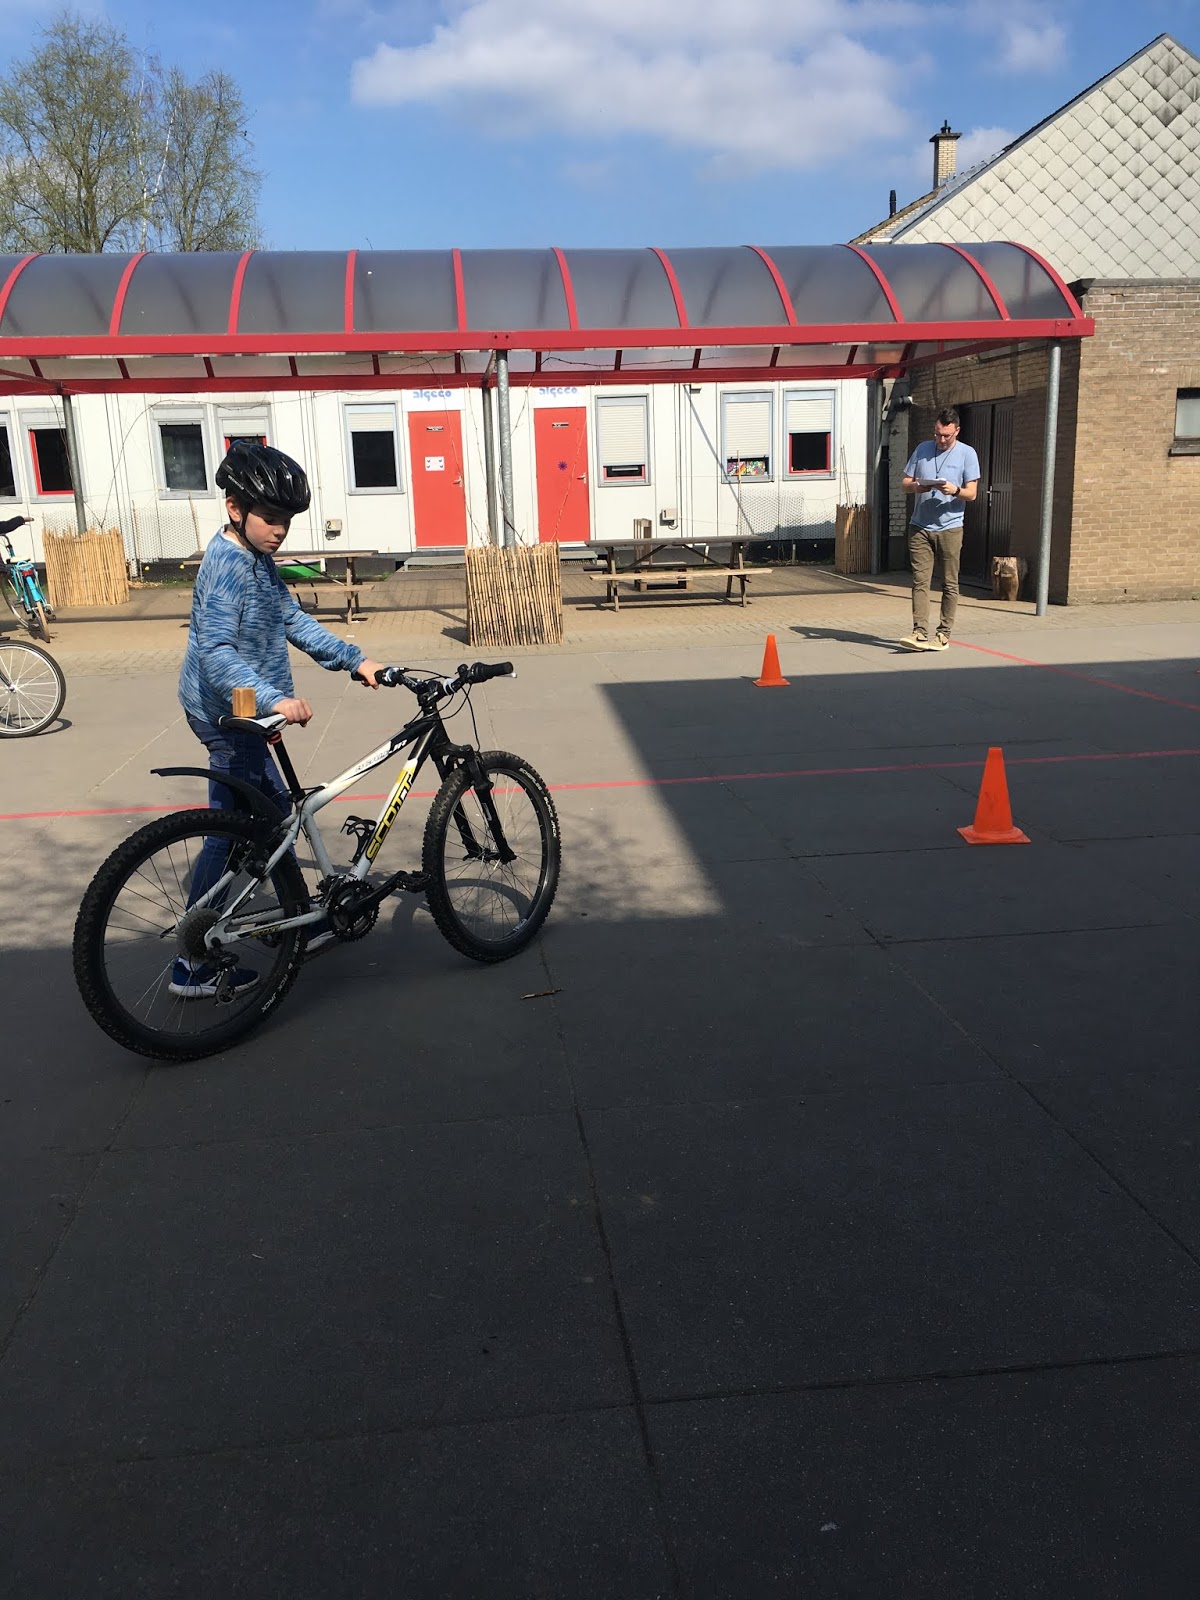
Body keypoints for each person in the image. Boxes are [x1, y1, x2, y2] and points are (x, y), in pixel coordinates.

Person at [174, 441, 384, 998]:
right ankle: (191, 959)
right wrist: (272, 699)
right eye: (269, 518)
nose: (279, 530)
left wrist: (352, 658)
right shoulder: (225, 567)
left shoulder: (257, 561)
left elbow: (290, 617)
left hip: (242, 703)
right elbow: (217, 653)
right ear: (234, 508)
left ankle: (299, 910)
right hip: (229, 710)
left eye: (286, 521)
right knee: (232, 826)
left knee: (272, 812)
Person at [900, 407, 980, 650]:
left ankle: (943, 634)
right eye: (937, 434)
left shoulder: (968, 454)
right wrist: (917, 487)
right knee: (920, 581)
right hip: (920, 526)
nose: (941, 440)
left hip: (950, 527)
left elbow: (972, 493)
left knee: (949, 582)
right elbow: (904, 483)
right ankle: (919, 632)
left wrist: (954, 490)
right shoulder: (922, 449)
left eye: (946, 436)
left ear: (957, 431)